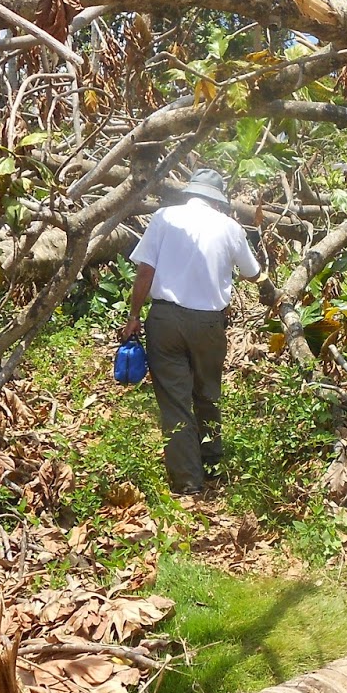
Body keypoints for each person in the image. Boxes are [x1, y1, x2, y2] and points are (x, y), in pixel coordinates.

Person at [121, 168, 262, 496]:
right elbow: (253, 274)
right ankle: (212, 464)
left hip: (165, 319)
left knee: (175, 400)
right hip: (209, 323)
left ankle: (187, 482)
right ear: (217, 200)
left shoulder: (164, 217)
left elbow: (145, 271)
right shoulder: (230, 227)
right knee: (207, 392)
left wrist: (133, 315)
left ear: (190, 192)